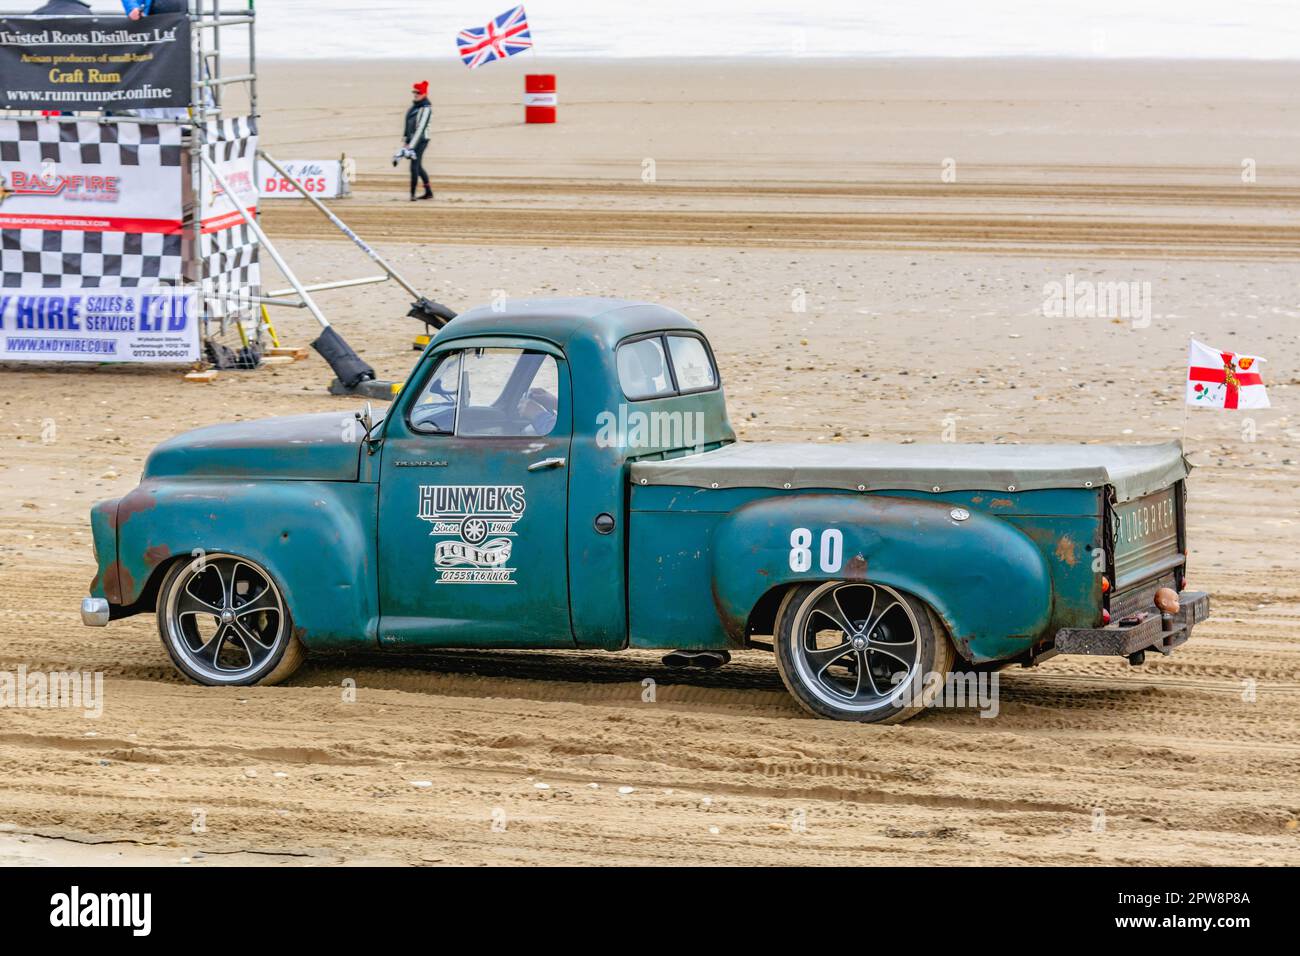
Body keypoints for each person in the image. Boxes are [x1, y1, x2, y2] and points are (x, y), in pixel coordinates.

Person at [402, 81, 433, 202]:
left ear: (424, 94)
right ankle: (428, 192)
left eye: (418, 92)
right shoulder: (414, 107)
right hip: (412, 140)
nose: (415, 94)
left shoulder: (426, 109)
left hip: (421, 140)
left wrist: (411, 146)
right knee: (418, 166)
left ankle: (412, 194)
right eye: (414, 92)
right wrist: (406, 140)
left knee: (414, 166)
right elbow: (407, 125)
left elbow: (421, 129)